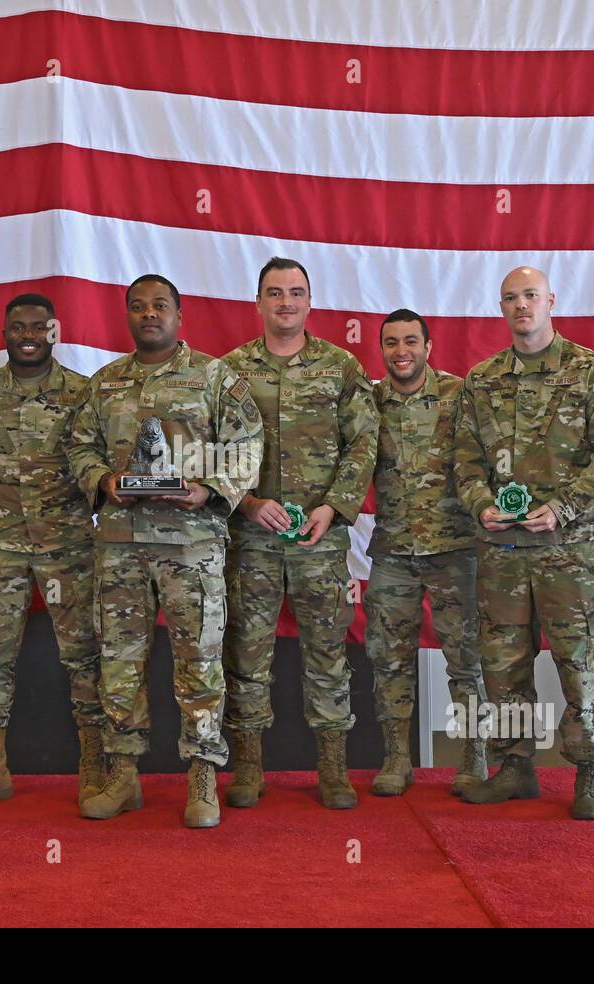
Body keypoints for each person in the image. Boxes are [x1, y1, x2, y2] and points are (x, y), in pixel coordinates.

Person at [67, 274, 262, 828]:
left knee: (199, 661)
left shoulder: (214, 377)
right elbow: (79, 446)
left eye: (159, 306)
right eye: (138, 307)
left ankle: (202, 778)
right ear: (126, 316)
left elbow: (247, 446)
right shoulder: (104, 384)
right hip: (121, 546)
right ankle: (123, 774)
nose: (148, 314)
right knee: (119, 661)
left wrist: (210, 490)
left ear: (179, 314)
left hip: (191, 545)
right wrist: (104, 480)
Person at [452, 266, 594, 820]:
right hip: (503, 551)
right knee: (503, 665)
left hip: (569, 549)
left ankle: (590, 772)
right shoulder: (481, 380)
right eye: (511, 298)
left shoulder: (592, 372)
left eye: (530, 296)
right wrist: (480, 502)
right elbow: (465, 458)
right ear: (501, 307)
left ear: (551, 300)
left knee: (582, 662)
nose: (521, 306)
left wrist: (563, 507)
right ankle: (514, 768)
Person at [220, 257, 379, 810]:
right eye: (274, 292)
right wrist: (246, 500)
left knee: (328, 652)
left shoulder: (341, 367)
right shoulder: (231, 371)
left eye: (296, 292)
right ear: (258, 302)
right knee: (246, 653)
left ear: (310, 301)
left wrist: (334, 508)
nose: (286, 301)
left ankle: (333, 769)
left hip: (319, 538)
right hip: (254, 541)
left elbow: (363, 444)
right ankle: (247, 769)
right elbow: (212, 450)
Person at [0, 294, 105, 808]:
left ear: (54, 332)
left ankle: (96, 766)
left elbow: (98, 459)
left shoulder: (83, 394)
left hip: (69, 544)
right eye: (19, 327)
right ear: (5, 332)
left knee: (86, 656)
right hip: (2, 547)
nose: (29, 334)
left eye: (39, 326)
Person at [365, 309, 486, 797]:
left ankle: (474, 756)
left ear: (428, 347)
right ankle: (397, 758)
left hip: (456, 550)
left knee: (467, 659)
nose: (401, 351)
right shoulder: (369, 402)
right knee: (388, 657)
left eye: (410, 341)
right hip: (394, 551)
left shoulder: (460, 397)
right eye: (391, 342)